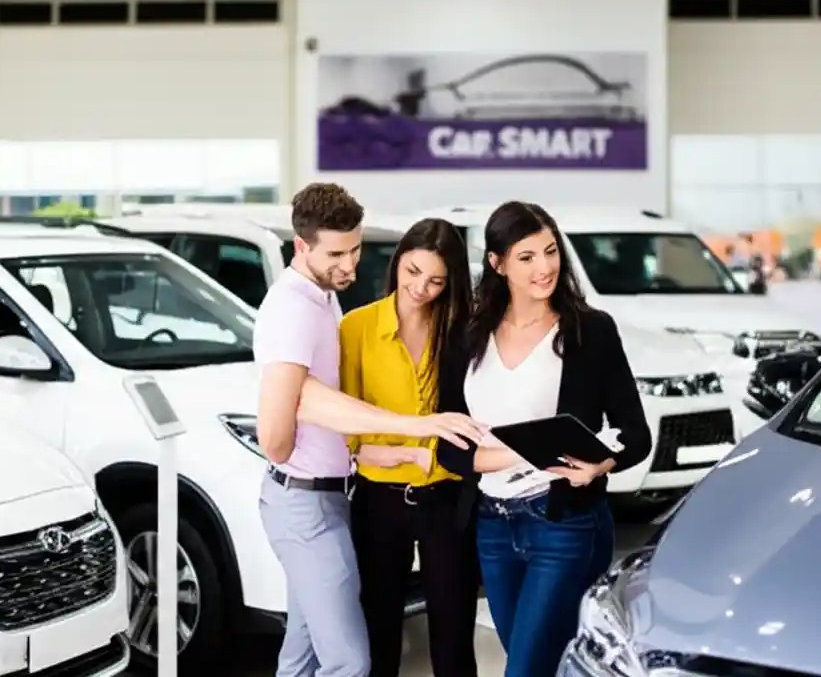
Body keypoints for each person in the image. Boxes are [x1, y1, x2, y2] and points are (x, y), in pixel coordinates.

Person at [254, 183, 488, 677]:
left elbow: (316, 400)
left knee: (304, 651)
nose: (350, 264)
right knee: (350, 660)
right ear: (302, 245)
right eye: (337, 252)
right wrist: (409, 433)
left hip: (338, 497)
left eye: (355, 249)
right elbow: (277, 435)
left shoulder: (323, 301)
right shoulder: (299, 309)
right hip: (311, 502)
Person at [435, 200, 651, 677]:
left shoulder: (589, 330)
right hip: (492, 525)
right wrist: (513, 450)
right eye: (527, 257)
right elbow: (449, 448)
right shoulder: (468, 335)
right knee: (540, 663)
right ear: (497, 264)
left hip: (562, 524)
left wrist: (601, 465)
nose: (544, 267)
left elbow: (636, 433)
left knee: (525, 671)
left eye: (550, 251)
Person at [338, 218, 479, 677]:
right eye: (413, 271)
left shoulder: (460, 331)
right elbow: (349, 428)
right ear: (398, 262)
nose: (421, 287)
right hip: (379, 500)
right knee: (378, 631)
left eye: (437, 280)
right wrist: (401, 453)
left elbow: (469, 417)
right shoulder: (356, 327)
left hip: (446, 497)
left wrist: (425, 456)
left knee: (453, 633)